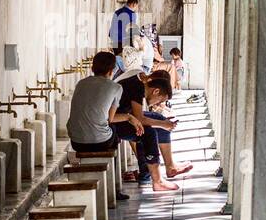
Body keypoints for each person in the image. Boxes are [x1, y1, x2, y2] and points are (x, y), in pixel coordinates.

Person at [66, 51, 133, 199]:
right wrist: (129, 117)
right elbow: (111, 119)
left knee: (108, 130)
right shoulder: (116, 87)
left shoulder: (81, 83)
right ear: (112, 70)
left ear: (93, 68)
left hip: (76, 142)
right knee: (115, 131)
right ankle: (113, 190)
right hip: (100, 142)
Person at [116, 68, 180, 192]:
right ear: (156, 91)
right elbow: (140, 118)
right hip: (115, 121)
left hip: (124, 117)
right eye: (160, 100)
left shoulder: (138, 85)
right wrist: (163, 124)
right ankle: (156, 180)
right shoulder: (137, 87)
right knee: (148, 133)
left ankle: (163, 170)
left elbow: (138, 116)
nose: (158, 104)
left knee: (155, 123)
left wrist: (163, 123)